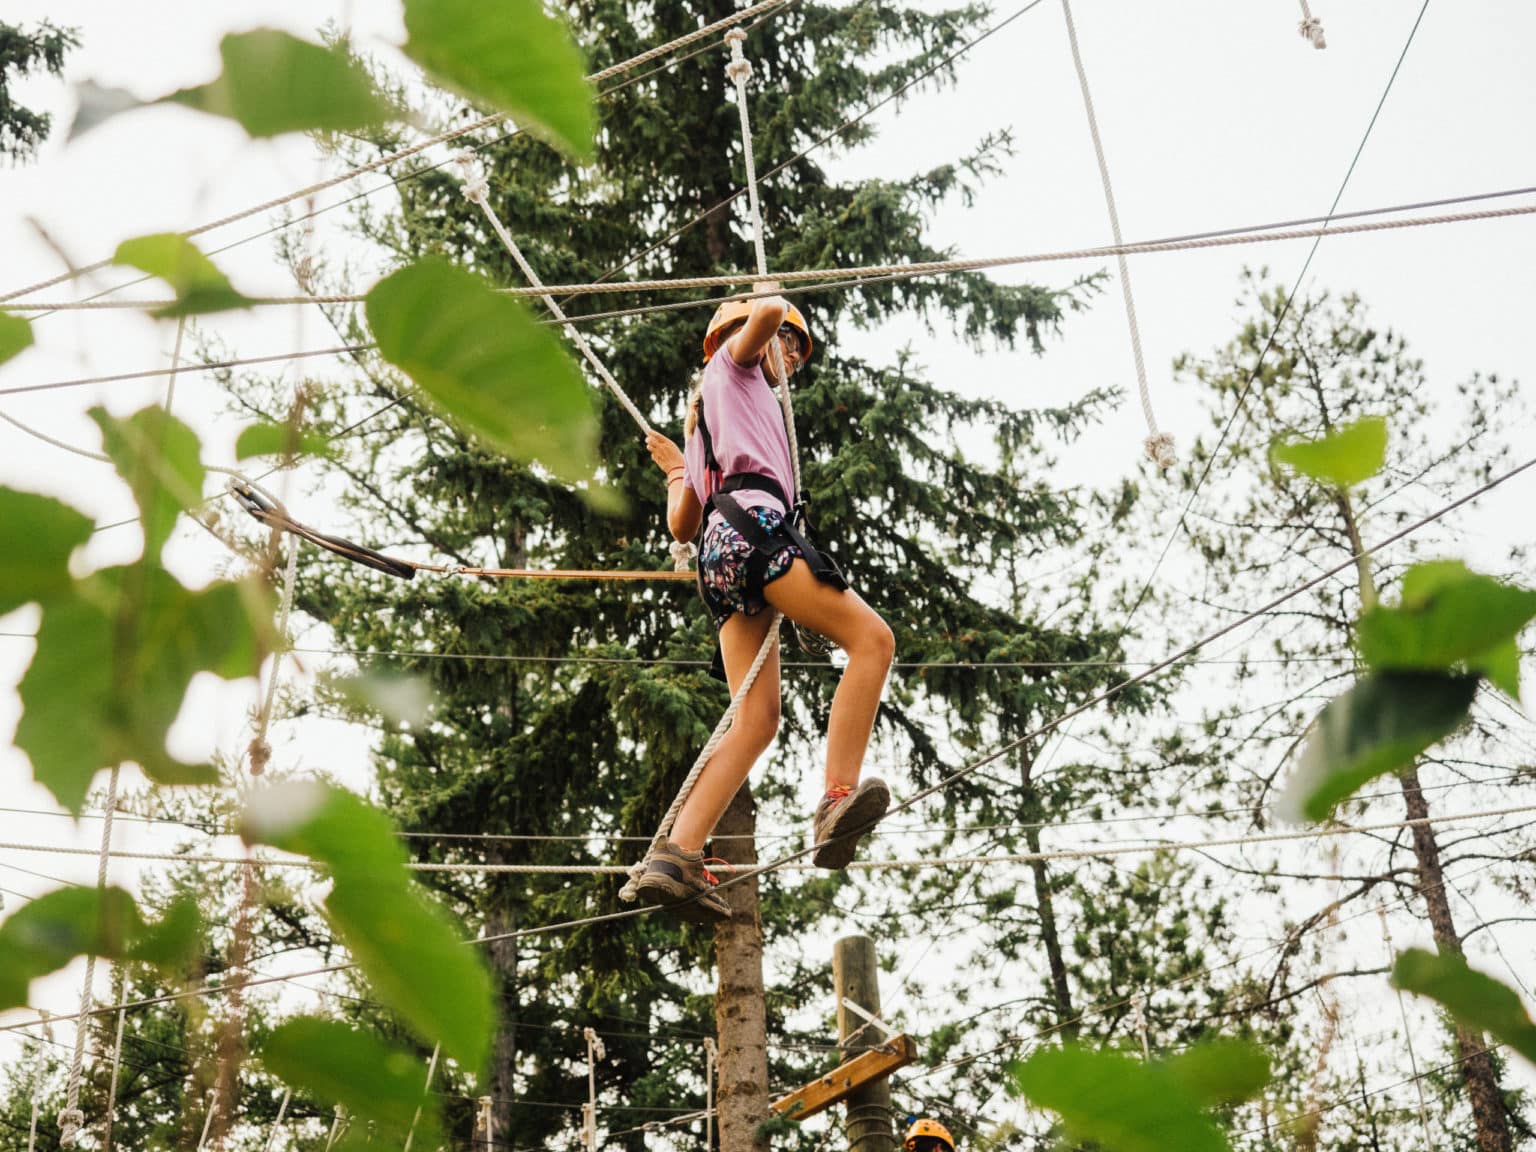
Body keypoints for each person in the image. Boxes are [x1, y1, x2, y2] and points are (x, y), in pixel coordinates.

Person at [638, 285, 895, 922]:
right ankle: (836, 796)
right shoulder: (733, 364)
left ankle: (678, 854)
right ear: (744, 337)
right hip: (756, 533)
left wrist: (676, 468)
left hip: (720, 558)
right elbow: (773, 313)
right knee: (873, 642)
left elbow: (682, 523)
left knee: (757, 721)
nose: (791, 363)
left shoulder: (706, 421)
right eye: (788, 350)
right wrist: (767, 302)